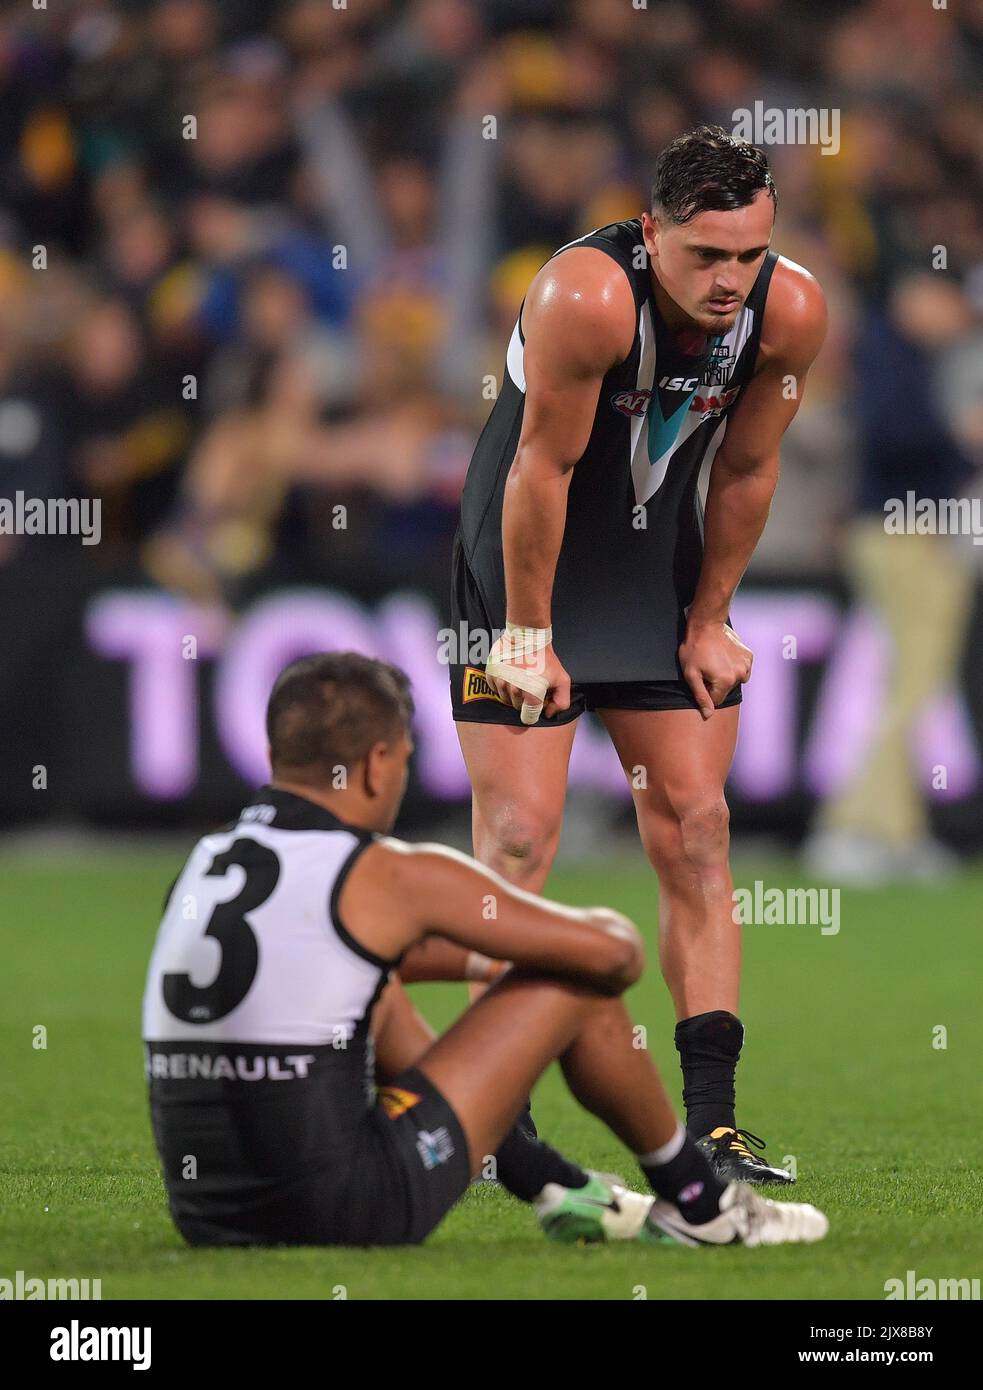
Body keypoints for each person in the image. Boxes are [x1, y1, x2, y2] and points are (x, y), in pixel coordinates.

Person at [142, 651, 827, 1248]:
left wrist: (408, 958)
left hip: (206, 1216)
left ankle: (566, 1191)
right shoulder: (388, 874)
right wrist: (486, 957)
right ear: (379, 765)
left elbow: (314, 959)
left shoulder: (202, 864)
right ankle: (702, 1206)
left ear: (274, 756)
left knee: (364, 985)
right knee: (573, 978)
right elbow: (614, 953)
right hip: (345, 1209)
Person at [448, 126, 827, 1184]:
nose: (729, 281)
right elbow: (541, 467)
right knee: (519, 837)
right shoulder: (585, 295)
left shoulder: (788, 310)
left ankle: (713, 1124)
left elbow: (746, 471)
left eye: (748, 255)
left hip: (651, 571)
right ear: (650, 230)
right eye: (705, 256)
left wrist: (709, 618)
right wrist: (524, 633)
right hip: (525, 559)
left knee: (698, 830)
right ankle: (486, 1121)